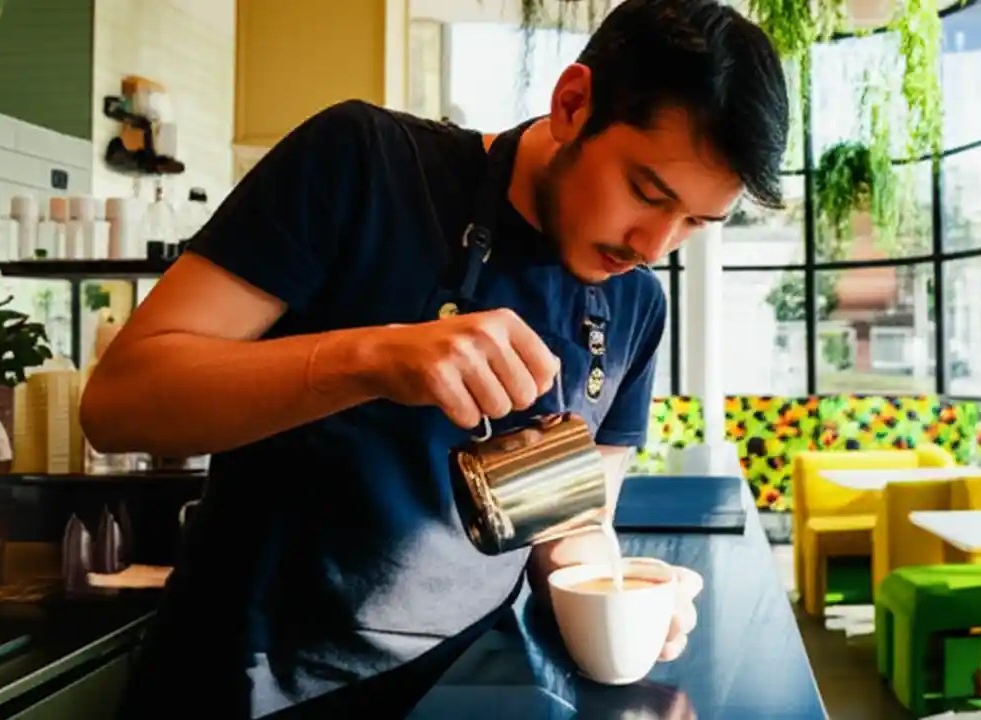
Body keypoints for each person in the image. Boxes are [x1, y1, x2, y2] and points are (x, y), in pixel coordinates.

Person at [80, 0, 789, 717]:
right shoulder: (365, 163)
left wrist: (614, 599)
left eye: (697, 222)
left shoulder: (636, 305)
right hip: (243, 685)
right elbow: (120, 404)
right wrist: (375, 357)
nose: (653, 246)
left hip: (463, 694)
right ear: (573, 104)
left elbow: (572, 524)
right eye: (646, 192)